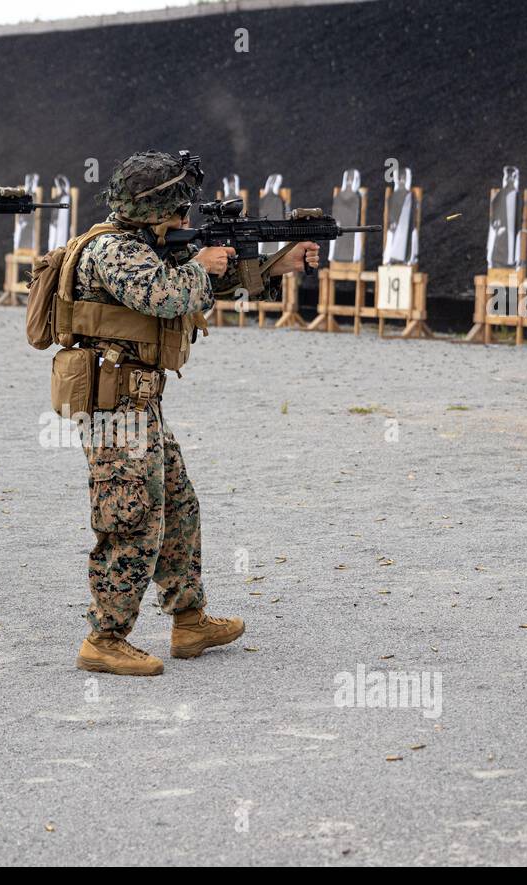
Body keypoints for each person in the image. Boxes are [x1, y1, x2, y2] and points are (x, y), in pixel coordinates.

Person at [65, 150, 318, 676]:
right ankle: (104, 638)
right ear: (155, 211)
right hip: (114, 407)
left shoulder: (146, 245)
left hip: (140, 400)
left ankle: (189, 620)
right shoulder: (112, 250)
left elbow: (210, 285)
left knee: (178, 506)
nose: (187, 221)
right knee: (131, 516)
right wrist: (202, 265)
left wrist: (276, 265)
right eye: (180, 212)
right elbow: (164, 295)